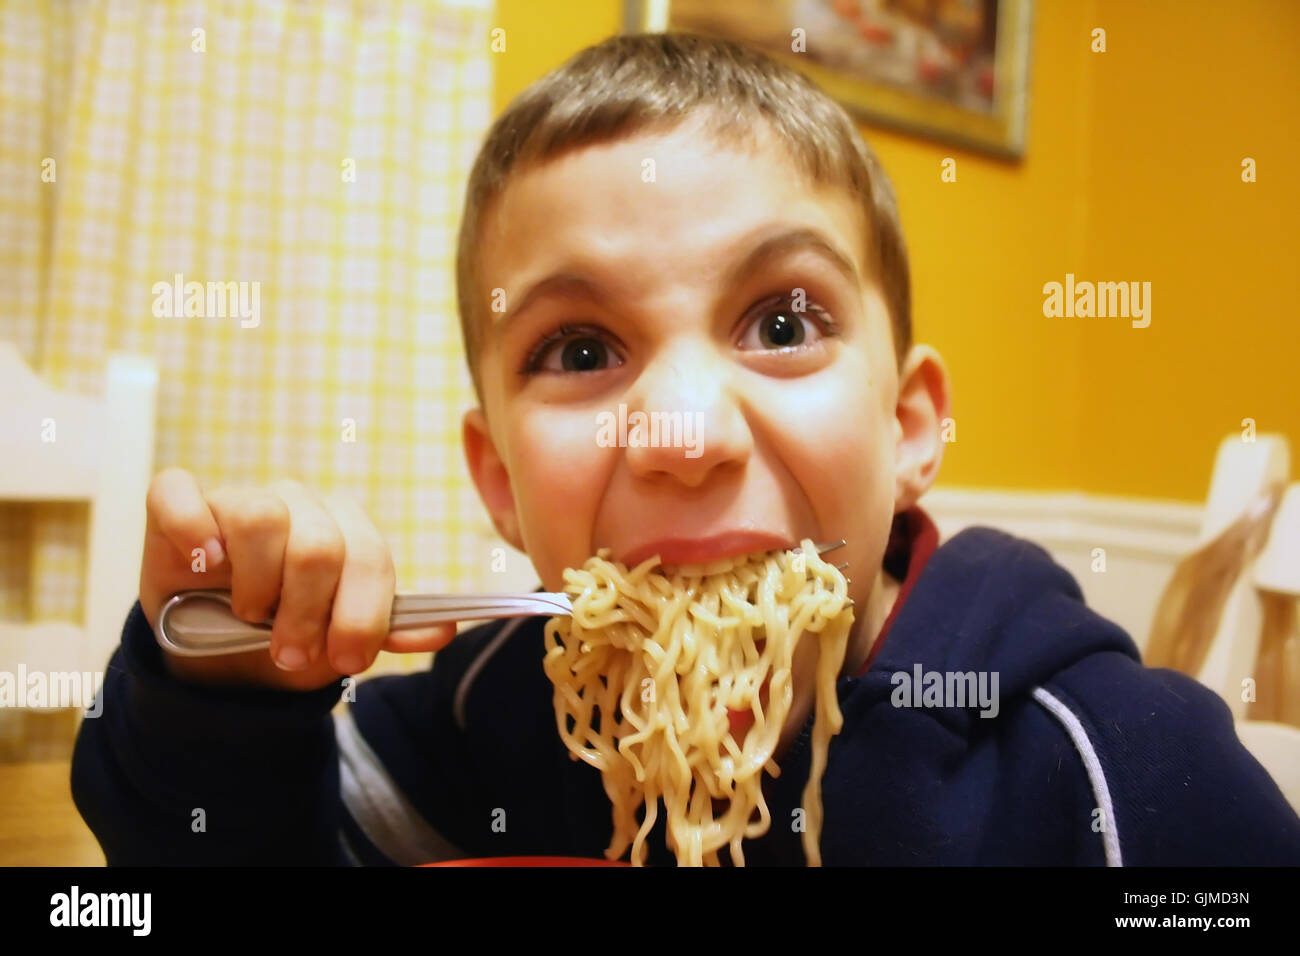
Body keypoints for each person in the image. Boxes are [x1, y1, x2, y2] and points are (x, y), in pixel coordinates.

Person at [72, 31, 1300, 865]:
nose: (683, 435)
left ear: (910, 427)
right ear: (498, 482)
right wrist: (218, 709)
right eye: (582, 348)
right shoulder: (494, 700)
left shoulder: (1112, 767)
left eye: (780, 324)